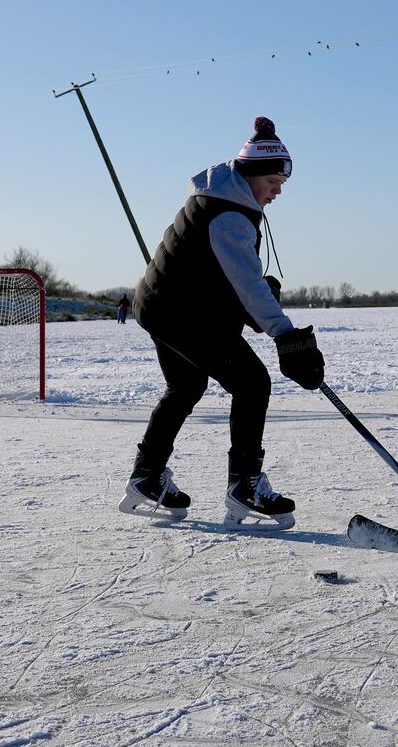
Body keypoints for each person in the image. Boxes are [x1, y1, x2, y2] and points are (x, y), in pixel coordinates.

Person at [119, 117, 325, 529]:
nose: (278, 191)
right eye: (273, 181)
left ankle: (145, 476)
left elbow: (221, 276)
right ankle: (245, 486)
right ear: (251, 175)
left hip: (162, 305)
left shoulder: (222, 197)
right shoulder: (230, 214)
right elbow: (247, 284)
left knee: (186, 385)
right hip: (181, 311)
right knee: (252, 383)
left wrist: (250, 306)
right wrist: (286, 336)